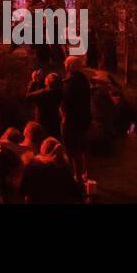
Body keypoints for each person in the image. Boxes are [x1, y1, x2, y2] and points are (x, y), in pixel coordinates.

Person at [60, 56, 92, 184]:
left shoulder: (70, 83)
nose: (65, 66)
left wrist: (63, 114)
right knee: (83, 148)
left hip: (72, 120)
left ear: (70, 67)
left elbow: (66, 100)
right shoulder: (84, 80)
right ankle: (87, 174)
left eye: (66, 65)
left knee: (73, 149)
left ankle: (77, 176)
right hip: (84, 118)